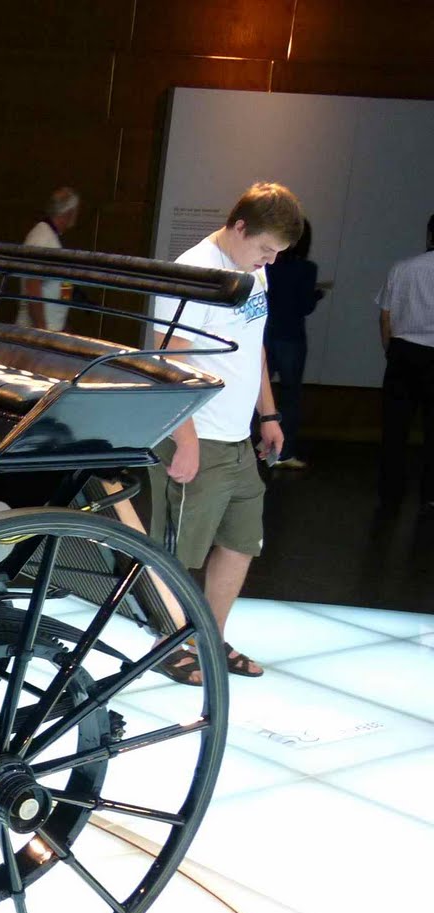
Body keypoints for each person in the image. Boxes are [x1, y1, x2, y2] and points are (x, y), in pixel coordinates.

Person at [150, 181, 304, 685]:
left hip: (238, 438)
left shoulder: (252, 273)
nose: (270, 261)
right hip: (200, 435)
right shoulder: (195, 272)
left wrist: (270, 414)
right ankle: (168, 645)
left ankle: (209, 639)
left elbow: (253, 344)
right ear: (239, 227)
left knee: (241, 541)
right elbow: (166, 361)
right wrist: (187, 440)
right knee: (179, 553)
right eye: (265, 249)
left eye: (277, 253)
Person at [375, 212, 434, 509]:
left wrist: (390, 349)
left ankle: (391, 491)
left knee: (395, 428)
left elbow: (386, 315)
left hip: (403, 352)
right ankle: (430, 494)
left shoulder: (403, 268)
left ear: (429, 236)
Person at [263, 218, 327, 469]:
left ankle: (247, 449)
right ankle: (283, 452)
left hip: (265, 335)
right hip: (292, 337)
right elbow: (304, 306)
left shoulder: (268, 265)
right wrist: (317, 295)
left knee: (256, 393)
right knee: (290, 396)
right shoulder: (307, 268)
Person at [16, 187, 81, 332]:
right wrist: (41, 329)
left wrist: (63, 324)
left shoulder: (51, 238)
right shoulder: (42, 239)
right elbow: (33, 285)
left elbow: (62, 283)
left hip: (52, 331)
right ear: (69, 212)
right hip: (37, 333)